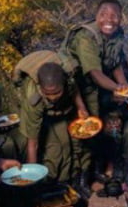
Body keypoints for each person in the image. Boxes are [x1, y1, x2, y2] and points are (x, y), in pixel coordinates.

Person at [63, 0, 128, 186]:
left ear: (121, 19)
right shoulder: (86, 37)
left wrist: (124, 85)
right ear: (96, 16)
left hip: (98, 86)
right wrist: (118, 88)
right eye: (104, 14)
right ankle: (82, 177)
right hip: (76, 87)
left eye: (114, 16)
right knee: (87, 129)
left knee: (107, 124)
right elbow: (95, 74)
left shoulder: (117, 34)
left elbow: (114, 63)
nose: (109, 19)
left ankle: (102, 168)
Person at [12, 50, 91, 186]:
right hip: (37, 113)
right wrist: (32, 173)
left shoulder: (68, 79)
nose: (53, 97)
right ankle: (52, 182)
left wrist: (81, 107)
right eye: (48, 93)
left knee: (71, 143)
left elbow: (74, 89)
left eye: (57, 92)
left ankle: (71, 180)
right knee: (54, 149)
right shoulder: (33, 99)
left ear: (64, 84)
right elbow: (33, 142)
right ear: (41, 88)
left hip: (62, 109)